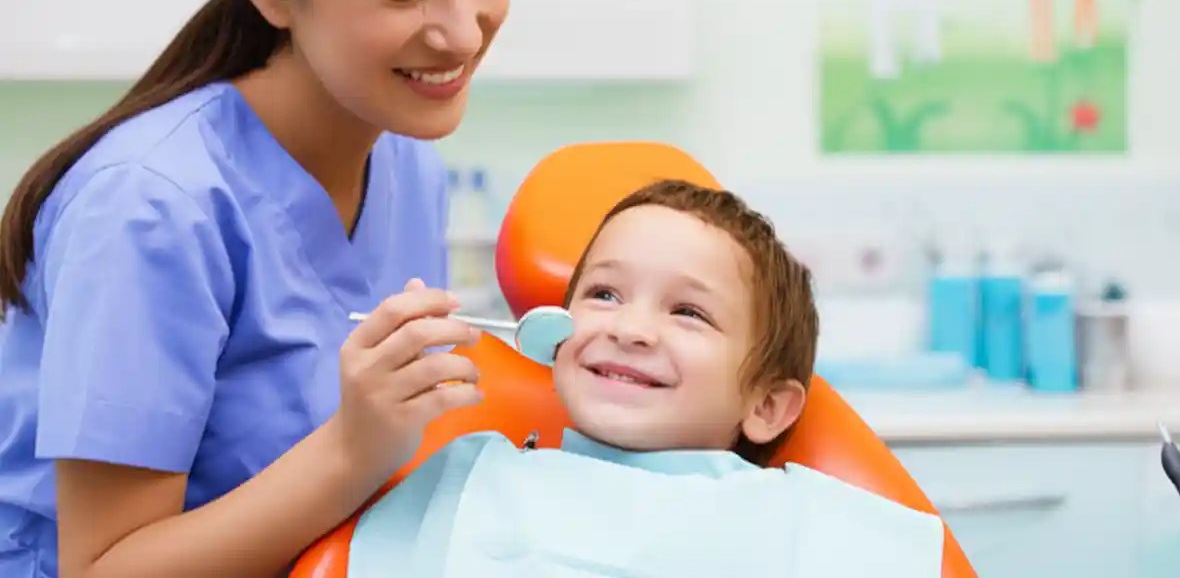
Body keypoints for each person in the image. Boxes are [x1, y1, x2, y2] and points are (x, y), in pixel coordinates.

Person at [0, 0, 512, 575]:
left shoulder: (405, 159)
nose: (462, 33)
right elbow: (101, 568)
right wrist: (352, 451)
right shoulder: (149, 207)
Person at [344, 180, 946, 576]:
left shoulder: (822, 527)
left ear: (766, 405)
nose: (631, 329)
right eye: (604, 294)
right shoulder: (467, 477)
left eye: (688, 312)